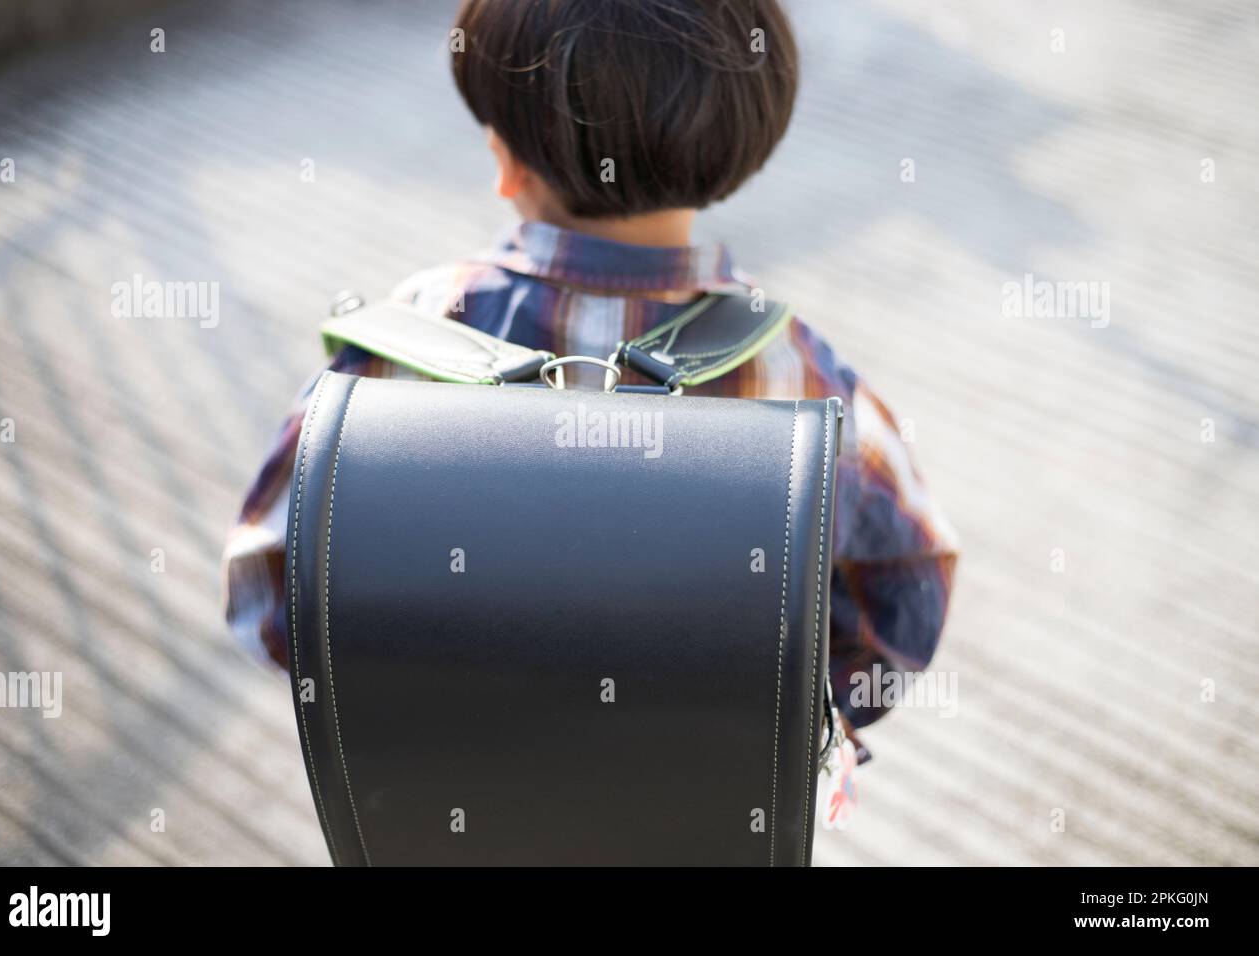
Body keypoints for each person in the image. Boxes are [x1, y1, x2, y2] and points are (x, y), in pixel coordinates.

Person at [222, 0, 957, 838]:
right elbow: (909, 582)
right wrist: (808, 726)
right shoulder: (803, 376)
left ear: (503, 160)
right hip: (704, 826)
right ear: (742, 146)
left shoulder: (404, 344)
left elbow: (265, 586)